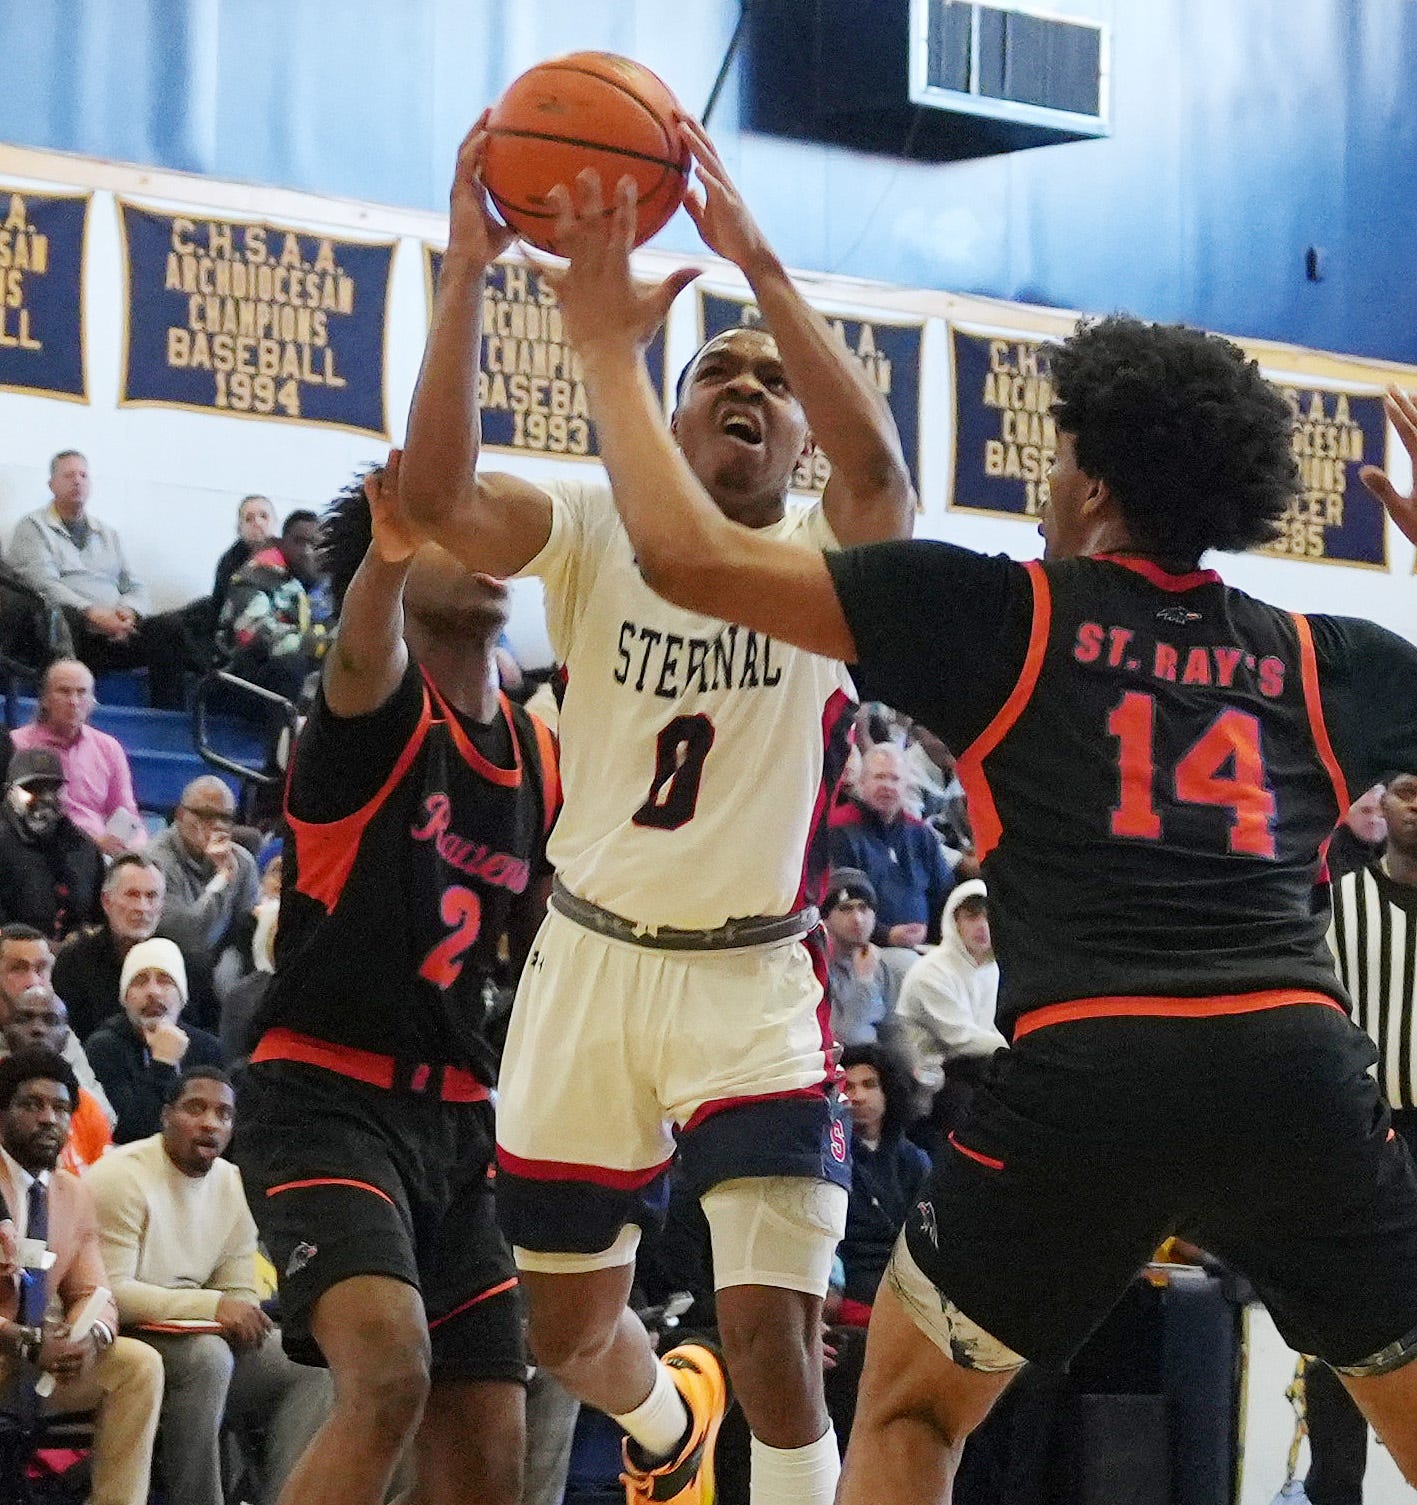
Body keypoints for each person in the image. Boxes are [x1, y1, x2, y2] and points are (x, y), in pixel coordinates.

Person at [538, 175, 1417, 1503]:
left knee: (907, 1416)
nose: (1044, 479)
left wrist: (603, 344)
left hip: (1091, 1072)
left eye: (1058, 454)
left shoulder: (1004, 613)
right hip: (1291, 1069)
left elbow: (686, 560)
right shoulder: (1320, 656)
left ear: (1093, 482)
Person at [399, 115, 914, 1505]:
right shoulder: (587, 521)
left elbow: (882, 484)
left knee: (775, 1342)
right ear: (669, 416)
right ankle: (660, 1425)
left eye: (771, 380)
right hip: (586, 963)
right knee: (567, 1332)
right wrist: (464, 275)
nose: (746, 384)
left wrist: (755, 264)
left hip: (755, 981)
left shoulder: (824, 557)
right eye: (716, 370)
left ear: (796, 431)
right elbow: (432, 497)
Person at [231, 457, 558, 1505]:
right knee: (387, 1373)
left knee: (488, 1459)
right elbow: (362, 640)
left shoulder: (539, 751)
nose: (485, 548)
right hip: (326, 1096)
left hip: (459, 1120)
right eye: (446, 530)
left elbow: (552, 940)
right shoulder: (369, 707)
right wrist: (388, 543)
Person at [87, 1066, 330, 1505]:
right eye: (195, 1109)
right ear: (166, 1116)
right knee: (208, 1358)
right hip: (122, 1337)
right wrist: (214, 1307)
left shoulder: (233, 1183)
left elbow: (239, 1289)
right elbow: (110, 1293)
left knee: (310, 1363)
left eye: (224, 1114)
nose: (210, 1123)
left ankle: (290, 1496)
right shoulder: (120, 1176)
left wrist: (230, 1310)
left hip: (198, 1327)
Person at [1306, 767, 1417, 1505]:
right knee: (1345, 1316)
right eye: (1411, 788)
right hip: (1364, 1130)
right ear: (1379, 800)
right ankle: (1334, 1487)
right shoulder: (1338, 904)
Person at [0, 1048, 164, 1505]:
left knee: (138, 1366)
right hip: (7, 1345)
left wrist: (90, 1335)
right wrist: (25, 1339)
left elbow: (96, 1290)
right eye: (31, 1105)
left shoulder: (72, 1193)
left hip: (42, 1357)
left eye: (60, 1108)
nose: (49, 1118)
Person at [6, 450, 189, 708]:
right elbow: (41, 584)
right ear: (51, 485)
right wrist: (91, 613)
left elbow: (133, 584)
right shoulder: (33, 527)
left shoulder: (107, 533)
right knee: (64, 615)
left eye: (83, 475)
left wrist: (128, 612)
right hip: (68, 632)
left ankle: (169, 718)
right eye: (69, 475)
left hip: (115, 634)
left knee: (169, 627)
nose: (77, 481)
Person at [84, 937, 224, 1143]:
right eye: (140, 981)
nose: (153, 992)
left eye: (165, 980)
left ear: (181, 996)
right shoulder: (103, 1048)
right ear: (125, 998)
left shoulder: (208, 1049)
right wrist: (163, 1064)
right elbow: (129, 1134)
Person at [896, 881, 1004, 1136]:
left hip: (984, 1068)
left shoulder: (996, 969)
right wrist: (1021, 1043)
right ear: (954, 921)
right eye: (971, 916)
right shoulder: (931, 972)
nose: (982, 926)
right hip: (934, 1080)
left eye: (989, 916)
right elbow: (961, 1041)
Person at [832, 1044, 930, 1323]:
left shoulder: (914, 1160)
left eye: (869, 1085)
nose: (858, 1096)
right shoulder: (829, 1158)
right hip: (852, 1281)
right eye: (848, 1087)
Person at [11, 658, 144, 854]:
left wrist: (133, 852)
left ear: (92, 701)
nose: (74, 701)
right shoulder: (16, 745)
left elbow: (126, 812)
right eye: (64, 691)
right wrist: (90, 846)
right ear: (45, 699)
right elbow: (19, 818)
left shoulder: (108, 747)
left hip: (102, 857)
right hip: (38, 852)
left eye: (82, 692)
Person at [829, 743, 956, 949]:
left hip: (926, 947)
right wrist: (886, 935)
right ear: (861, 783)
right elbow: (839, 904)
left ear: (905, 786)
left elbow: (944, 892)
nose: (887, 785)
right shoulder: (840, 830)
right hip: (864, 947)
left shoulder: (921, 834)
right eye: (879, 777)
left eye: (894, 778)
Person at [148, 774, 259, 987]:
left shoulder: (243, 861)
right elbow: (192, 939)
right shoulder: (155, 862)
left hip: (221, 961)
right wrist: (223, 878)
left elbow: (246, 933)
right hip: (170, 961)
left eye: (225, 817)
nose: (217, 825)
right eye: (205, 815)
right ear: (180, 815)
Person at [0, 921, 116, 1126]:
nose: (33, 981)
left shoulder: (58, 1032)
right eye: (18, 969)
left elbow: (103, 1117)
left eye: (41, 968)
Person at [217, 508, 333, 704]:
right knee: (290, 665)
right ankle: (288, 733)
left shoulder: (327, 585)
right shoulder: (254, 576)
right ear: (282, 542)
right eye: (298, 542)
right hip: (243, 679)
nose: (306, 551)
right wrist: (325, 644)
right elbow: (257, 637)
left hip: (303, 680)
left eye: (313, 544)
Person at [53, 853, 170, 1041]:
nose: (142, 907)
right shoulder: (74, 962)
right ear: (106, 902)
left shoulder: (179, 961)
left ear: (162, 906)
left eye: (151, 896)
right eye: (132, 895)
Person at [0, 982, 112, 1173]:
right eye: (24, 1019)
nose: (37, 1029)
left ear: (66, 1038)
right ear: (6, 1030)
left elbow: (102, 1183)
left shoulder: (86, 1107)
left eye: (50, 1020)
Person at [0, 746, 104, 941]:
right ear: (9, 793)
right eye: (32, 789)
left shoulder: (83, 848)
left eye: (53, 789)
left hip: (75, 961)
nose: (45, 799)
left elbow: (99, 917)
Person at [822, 869, 902, 1049]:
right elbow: (845, 1036)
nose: (858, 919)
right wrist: (863, 981)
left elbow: (893, 1030)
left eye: (863, 908)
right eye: (846, 909)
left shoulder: (881, 965)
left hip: (876, 1063)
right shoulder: (817, 967)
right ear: (826, 918)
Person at [213, 494, 279, 617]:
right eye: (249, 519)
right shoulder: (229, 562)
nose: (258, 523)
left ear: (276, 522)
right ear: (239, 529)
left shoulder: (288, 553)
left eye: (264, 516)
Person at [1327, 783, 1387, 883]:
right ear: (1346, 815)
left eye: (1382, 811)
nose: (1375, 819)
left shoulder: (1400, 847)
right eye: (1365, 811)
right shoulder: (1329, 852)